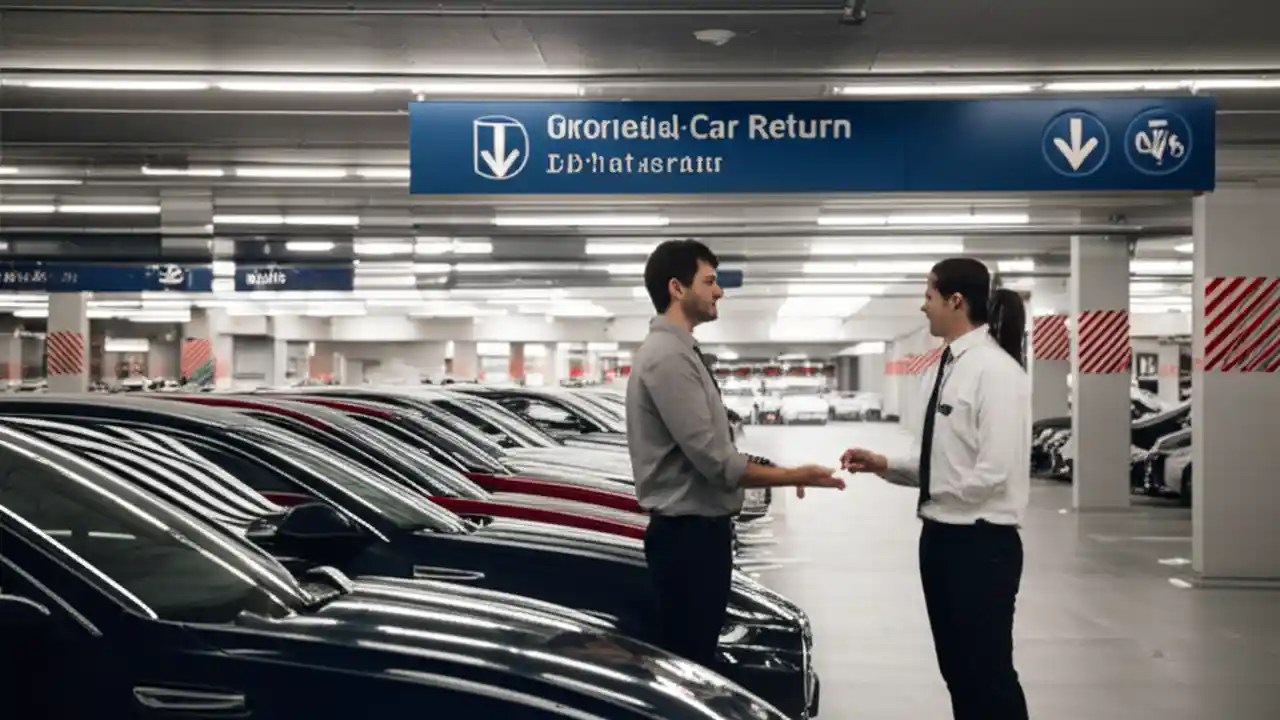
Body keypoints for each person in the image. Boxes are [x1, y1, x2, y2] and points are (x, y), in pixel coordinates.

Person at [626, 238, 846, 667]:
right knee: (690, 667)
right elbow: (716, 461)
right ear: (677, 288)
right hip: (688, 542)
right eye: (709, 281)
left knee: (696, 661)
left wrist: (781, 470)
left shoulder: (681, 350)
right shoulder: (668, 358)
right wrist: (794, 475)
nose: (718, 291)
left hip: (697, 536)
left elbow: (715, 448)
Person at [840, 257, 1031, 720]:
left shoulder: (996, 372)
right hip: (942, 540)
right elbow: (939, 461)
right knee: (959, 672)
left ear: (956, 301)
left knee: (987, 673)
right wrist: (883, 464)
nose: (923, 307)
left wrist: (931, 488)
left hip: (980, 546)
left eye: (928, 296)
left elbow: (994, 473)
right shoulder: (944, 368)